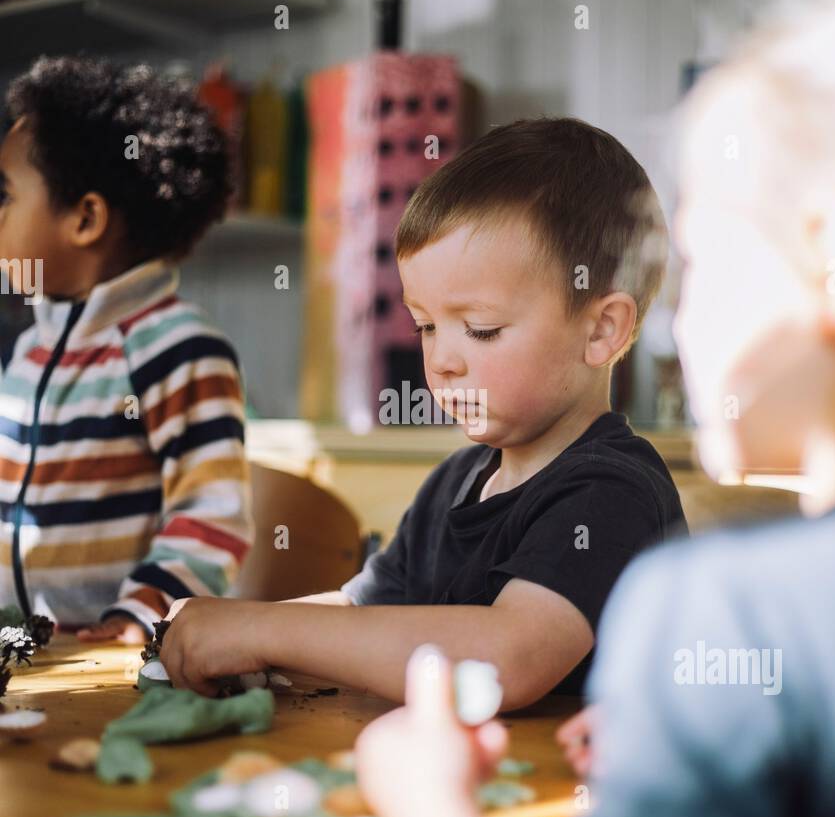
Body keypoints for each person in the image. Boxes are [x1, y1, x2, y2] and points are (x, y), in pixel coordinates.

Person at [354, 0, 835, 817]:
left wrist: (422, 795)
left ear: (833, 261)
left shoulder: (730, 607)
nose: (677, 321)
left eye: (700, 259)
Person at [160, 117, 685, 706]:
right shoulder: (452, 486)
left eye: (481, 330)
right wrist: (235, 632)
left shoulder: (611, 494)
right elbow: (360, 614)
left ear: (601, 330)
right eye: (426, 327)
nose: (441, 362)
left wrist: (261, 631)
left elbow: (507, 658)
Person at [0, 55, 253, 643]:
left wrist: (135, 618)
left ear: (85, 218)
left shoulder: (177, 347)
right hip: (30, 656)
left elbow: (211, 516)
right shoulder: (28, 350)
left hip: (112, 661)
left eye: (7, 196)